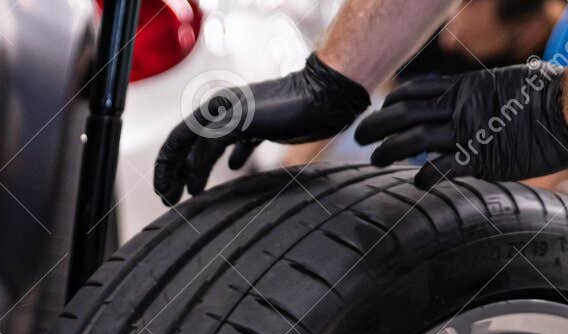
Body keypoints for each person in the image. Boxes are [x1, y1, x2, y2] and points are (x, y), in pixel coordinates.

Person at [155, 0, 568, 205]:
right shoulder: (441, 38)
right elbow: (354, 101)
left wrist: (555, 113)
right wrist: (327, 85)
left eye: (470, 5)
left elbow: (531, 202)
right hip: (413, 181)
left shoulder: (561, 43)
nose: (451, 25)